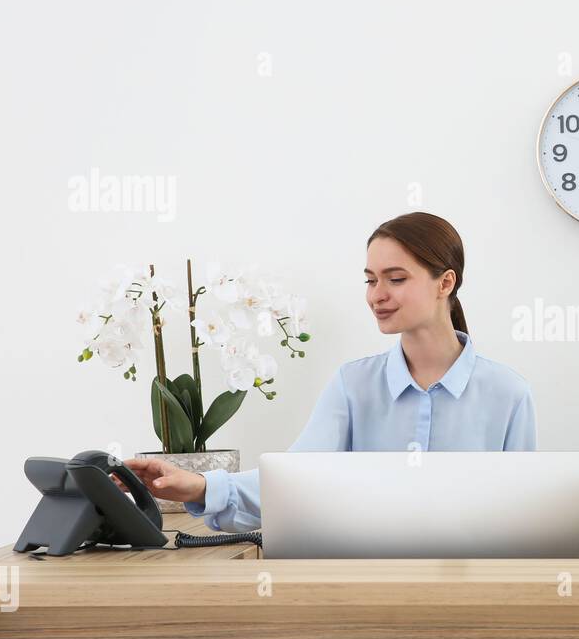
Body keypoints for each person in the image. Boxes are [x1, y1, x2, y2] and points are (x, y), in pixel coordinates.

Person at [121, 212, 536, 533]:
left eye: (395, 278)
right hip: (364, 593)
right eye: (371, 280)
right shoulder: (352, 386)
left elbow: (523, 518)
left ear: (445, 283)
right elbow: (295, 480)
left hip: (475, 595)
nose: (378, 295)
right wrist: (199, 486)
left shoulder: (508, 393)